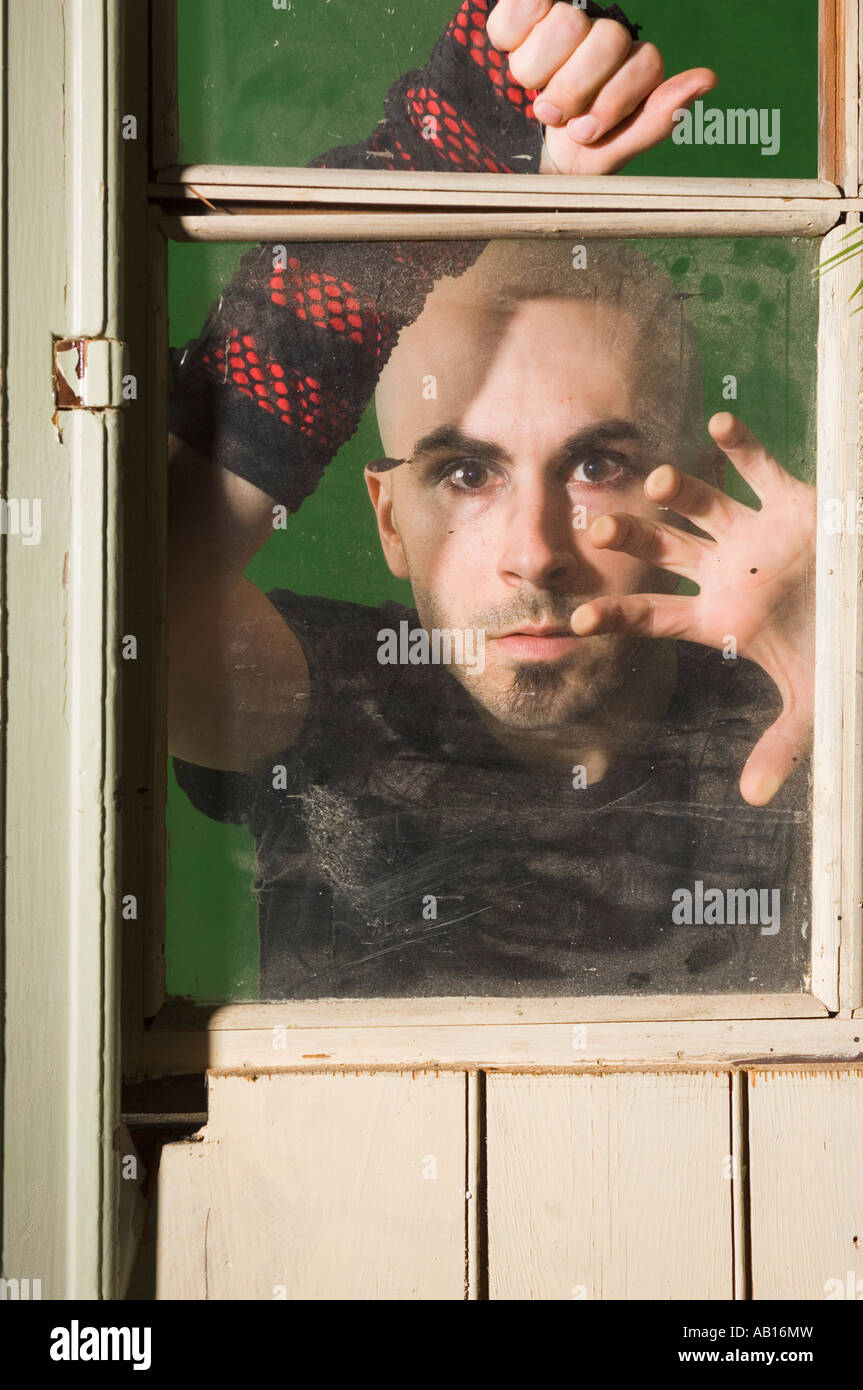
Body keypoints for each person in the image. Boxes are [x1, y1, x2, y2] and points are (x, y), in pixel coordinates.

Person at [167, 1, 813, 999]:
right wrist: (449, 156)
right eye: (465, 474)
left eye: (594, 465)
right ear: (389, 518)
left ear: (690, 495)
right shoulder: (330, 708)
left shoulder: (797, 709)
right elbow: (114, 588)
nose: (532, 552)